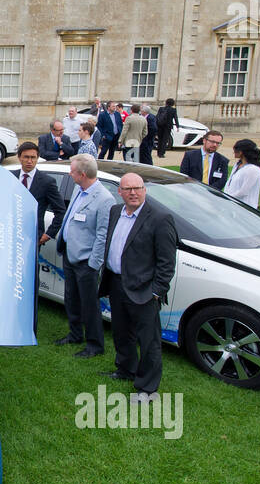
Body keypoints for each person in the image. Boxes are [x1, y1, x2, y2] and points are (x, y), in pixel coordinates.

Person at [99, 172, 178, 402]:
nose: (133, 192)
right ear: (120, 192)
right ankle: (125, 369)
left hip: (144, 291)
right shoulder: (116, 212)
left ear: (144, 190)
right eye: (128, 189)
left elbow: (166, 262)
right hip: (116, 283)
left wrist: (155, 292)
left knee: (149, 341)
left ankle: (147, 388)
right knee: (121, 333)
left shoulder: (160, 218)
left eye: (137, 188)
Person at [54, 154, 115, 358]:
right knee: (71, 298)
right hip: (70, 255)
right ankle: (75, 334)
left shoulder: (104, 199)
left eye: (72, 171)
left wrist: (93, 264)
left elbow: (102, 235)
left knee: (89, 304)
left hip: (86, 262)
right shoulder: (79, 189)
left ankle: (95, 345)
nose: (70, 174)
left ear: (82, 174)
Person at [13, 141, 65, 247]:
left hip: (33, 238)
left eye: (33, 157)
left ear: (37, 158)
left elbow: (60, 211)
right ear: (19, 158)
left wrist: (48, 234)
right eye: (26, 157)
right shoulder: (10, 177)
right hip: (10, 235)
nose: (29, 161)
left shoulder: (47, 182)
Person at [224, 139, 260, 208]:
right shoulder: (237, 165)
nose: (234, 152)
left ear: (242, 152)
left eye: (236, 150)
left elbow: (243, 192)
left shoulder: (253, 169)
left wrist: (226, 197)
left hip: (245, 207)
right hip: (231, 204)